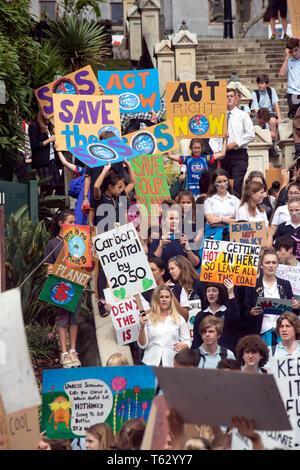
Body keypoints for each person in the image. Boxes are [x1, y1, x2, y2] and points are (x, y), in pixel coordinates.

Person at [44, 209, 81, 368]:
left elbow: (84, 263)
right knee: (63, 318)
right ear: (61, 223)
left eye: (75, 222)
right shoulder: (53, 243)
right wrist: (50, 270)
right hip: (60, 287)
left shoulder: (78, 241)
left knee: (74, 319)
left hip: (77, 285)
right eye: (71, 222)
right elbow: (47, 265)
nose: (74, 225)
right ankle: (64, 353)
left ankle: (73, 351)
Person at [242, 248, 299, 345]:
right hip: (260, 334)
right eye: (268, 262)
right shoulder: (252, 285)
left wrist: (296, 307)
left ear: (278, 265)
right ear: (261, 265)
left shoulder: (285, 284)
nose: (271, 266)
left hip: (282, 333)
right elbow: (244, 312)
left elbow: (292, 311)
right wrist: (251, 312)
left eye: (274, 262)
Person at [210, 88, 255, 198]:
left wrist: (235, 143)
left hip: (239, 154)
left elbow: (250, 134)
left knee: (237, 184)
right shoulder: (218, 116)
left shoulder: (243, 115)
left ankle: (237, 210)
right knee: (224, 185)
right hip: (224, 156)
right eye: (226, 96)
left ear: (236, 98)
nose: (229, 98)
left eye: (231, 96)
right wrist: (218, 151)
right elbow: (213, 137)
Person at [137, 285, 191, 367]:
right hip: (150, 362)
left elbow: (187, 341)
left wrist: (182, 345)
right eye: (161, 297)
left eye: (167, 297)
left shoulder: (179, 319)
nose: (164, 300)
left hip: (172, 363)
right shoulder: (147, 319)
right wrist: (141, 327)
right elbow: (142, 345)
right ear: (156, 299)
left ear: (171, 299)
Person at [192, 279, 241, 352]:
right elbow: (197, 339)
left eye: (214, 290)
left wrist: (231, 293)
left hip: (225, 356)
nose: (210, 293)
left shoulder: (227, 312)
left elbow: (234, 318)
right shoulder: (200, 315)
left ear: (220, 293)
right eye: (208, 291)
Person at [89, 159, 136, 232]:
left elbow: (132, 183)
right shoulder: (100, 197)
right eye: (119, 187)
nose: (121, 190)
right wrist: (105, 170)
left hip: (119, 234)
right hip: (104, 233)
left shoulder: (121, 196)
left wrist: (128, 165)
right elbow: (96, 186)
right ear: (110, 187)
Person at [29, 109, 64, 195]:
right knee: (45, 185)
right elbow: (34, 146)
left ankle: (48, 205)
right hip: (42, 161)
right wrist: (49, 140)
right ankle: (42, 205)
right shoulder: (34, 126)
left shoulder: (49, 126)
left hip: (52, 160)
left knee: (53, 186)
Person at [204, 169, 240, 239]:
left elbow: (239, 221)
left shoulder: (235, 200)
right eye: (219, 182)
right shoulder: (209, 201)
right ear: (214, 183)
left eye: (225, 181)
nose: (222, 184)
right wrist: (231, 220)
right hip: (212, 235)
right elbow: (211, 221)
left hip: (232, 235)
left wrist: (220, 219)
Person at [167, 255, 204, 322]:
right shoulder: (174, 288)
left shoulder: (199, 284)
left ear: (182, 267)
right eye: (169, 269)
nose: (170, 272)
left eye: (172, 268)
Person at [250, 74, 281, 143]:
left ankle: (272, 142)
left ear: (266, 84)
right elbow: (255, 109)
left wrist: (279, 117)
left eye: (262, 83)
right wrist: (264, 118)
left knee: (273, 121)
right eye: (258, 83)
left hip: (270, 113)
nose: (260, 85)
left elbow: (276, 104)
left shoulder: (271, 90)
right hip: (260, 113)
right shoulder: (255, 93)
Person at [267, 181, 300, 246]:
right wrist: (269, 247)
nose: (292, 195)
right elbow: (271, 232)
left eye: (296, 193)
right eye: (290, 193)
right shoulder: (280, 209)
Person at [279, 38, 300, 119]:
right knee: (294, 117)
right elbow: (282, 73)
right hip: (293, 93)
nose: (294, 53)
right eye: (291, 52)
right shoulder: (289, 61)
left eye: (296, 50)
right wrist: (287, 57)